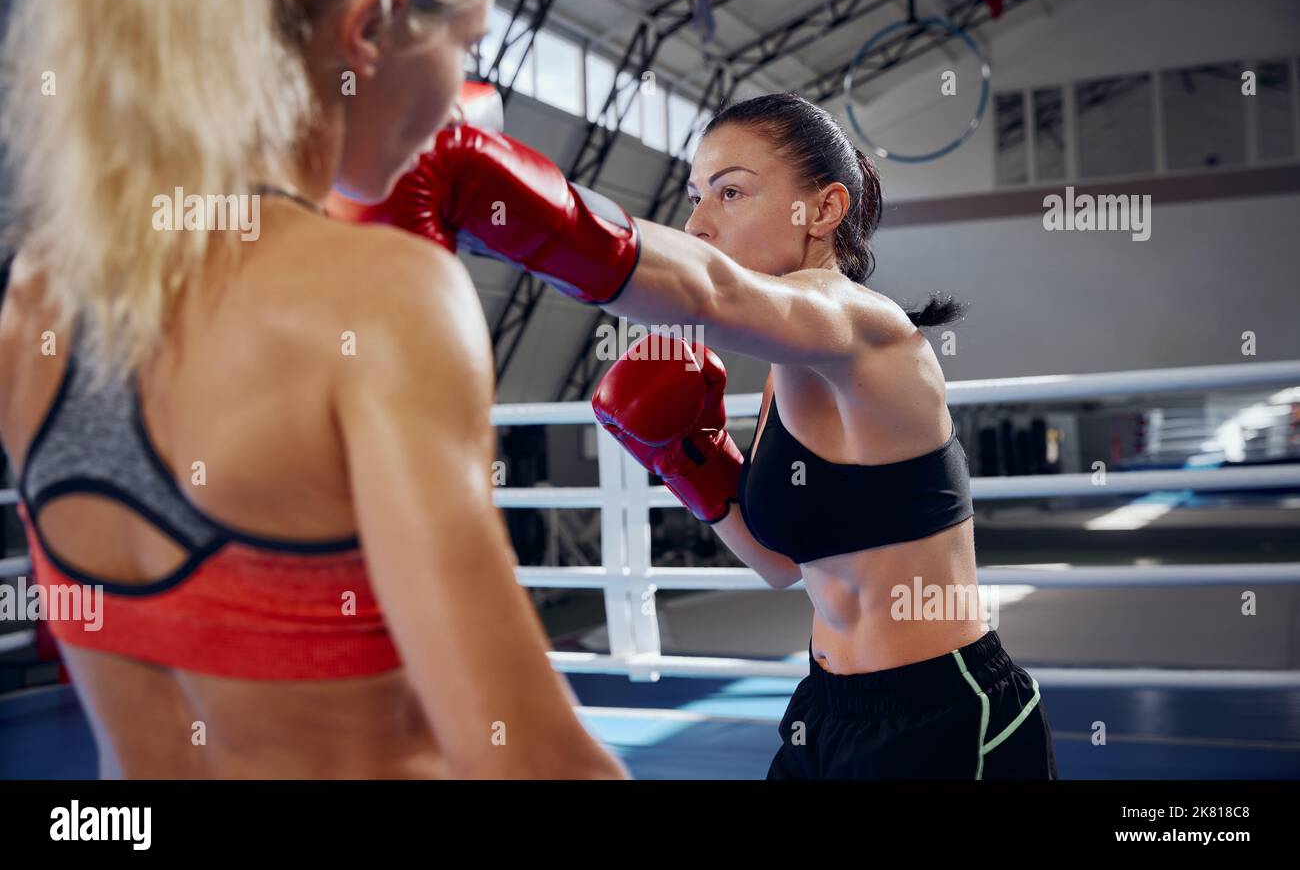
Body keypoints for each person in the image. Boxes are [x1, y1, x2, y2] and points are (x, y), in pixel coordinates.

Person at [0, 0, 625, 780]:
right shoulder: (385, 299)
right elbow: (534, 767)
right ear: (370, 26)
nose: (459, 97)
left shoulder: (39, 292)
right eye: (467, 46)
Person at [382, 92, 1058, 779]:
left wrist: (508, 194)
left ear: (823, 211)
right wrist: (687, 458)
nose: (699, 222)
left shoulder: (869, 328)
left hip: (943, 716)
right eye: (695, 194)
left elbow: (712, 293)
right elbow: (780, 564)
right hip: (825, 708)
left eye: (731, 192)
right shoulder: (786, 370)